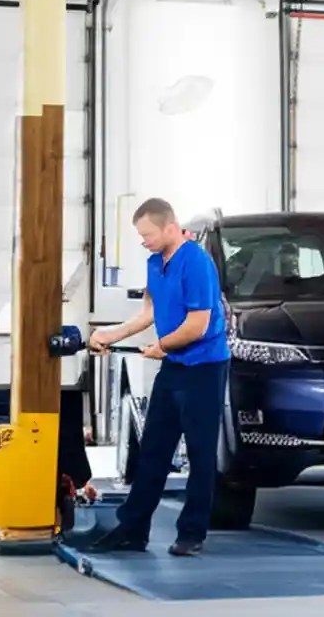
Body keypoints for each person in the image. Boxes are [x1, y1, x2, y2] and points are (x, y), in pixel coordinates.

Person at [87, 197, 231, 557]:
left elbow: (197, 325)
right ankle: (133, 529)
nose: (143, 241)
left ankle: (192, 533)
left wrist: (162, 347)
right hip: (174, 366)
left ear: (170, 227)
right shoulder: (155, 263)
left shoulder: (196, 262)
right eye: (140, 236)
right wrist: (110, 335)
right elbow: (148, 312)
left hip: (203, 368)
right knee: (152, 449)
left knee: (199, 453)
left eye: (148, 234)